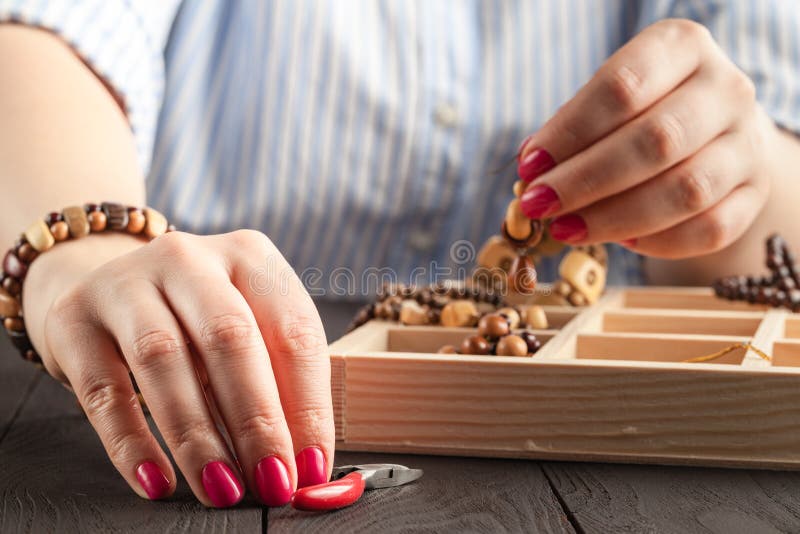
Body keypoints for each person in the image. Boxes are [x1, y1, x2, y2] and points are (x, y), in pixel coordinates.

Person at [1, 0, 798, 509]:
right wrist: (81, 252)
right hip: (182, 381)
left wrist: (743, 171)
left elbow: (774, 224)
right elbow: (52, 33)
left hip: (636, 457)